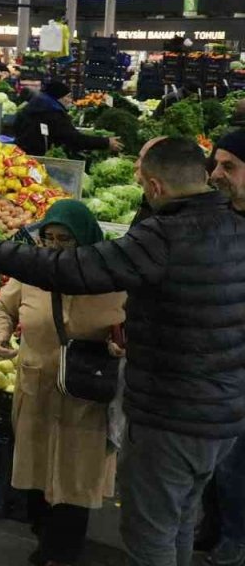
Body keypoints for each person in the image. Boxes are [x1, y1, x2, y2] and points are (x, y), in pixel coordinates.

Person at [0, 137, 245, 566]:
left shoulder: (163, 236)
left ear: (155, 187)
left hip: (170, 413)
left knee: (150, 534)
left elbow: (73, 268)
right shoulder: (236, 228)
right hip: (223, 413)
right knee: (179, 519)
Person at [0, 199, 126, 566]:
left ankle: (61, 554)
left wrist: (122, 345)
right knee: (36, 477)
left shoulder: (113, 279)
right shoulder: (31, 273)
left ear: (86, 240)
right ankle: (44, 538)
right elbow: (1, 308)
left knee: (76, 483)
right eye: (48, 238)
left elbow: (137, 327)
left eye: (65, 240)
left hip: (85, 399)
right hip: (37, 394)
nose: (54, 247)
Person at [204, 131, 245, 566]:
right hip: (213, 356)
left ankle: (236, 538)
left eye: (229, 166)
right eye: (215, 163)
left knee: (236, 459)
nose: (216, 174)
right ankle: (213, 526)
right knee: (213, 454)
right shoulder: (216, 215)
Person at [12, 81, 123, 156]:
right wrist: (105, 142)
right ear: (58, 97)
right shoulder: (53, 114)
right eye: (68, 97)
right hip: (37, 160)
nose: (71, 101)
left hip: (20, 155)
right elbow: (75, 140)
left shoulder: (31, 107)